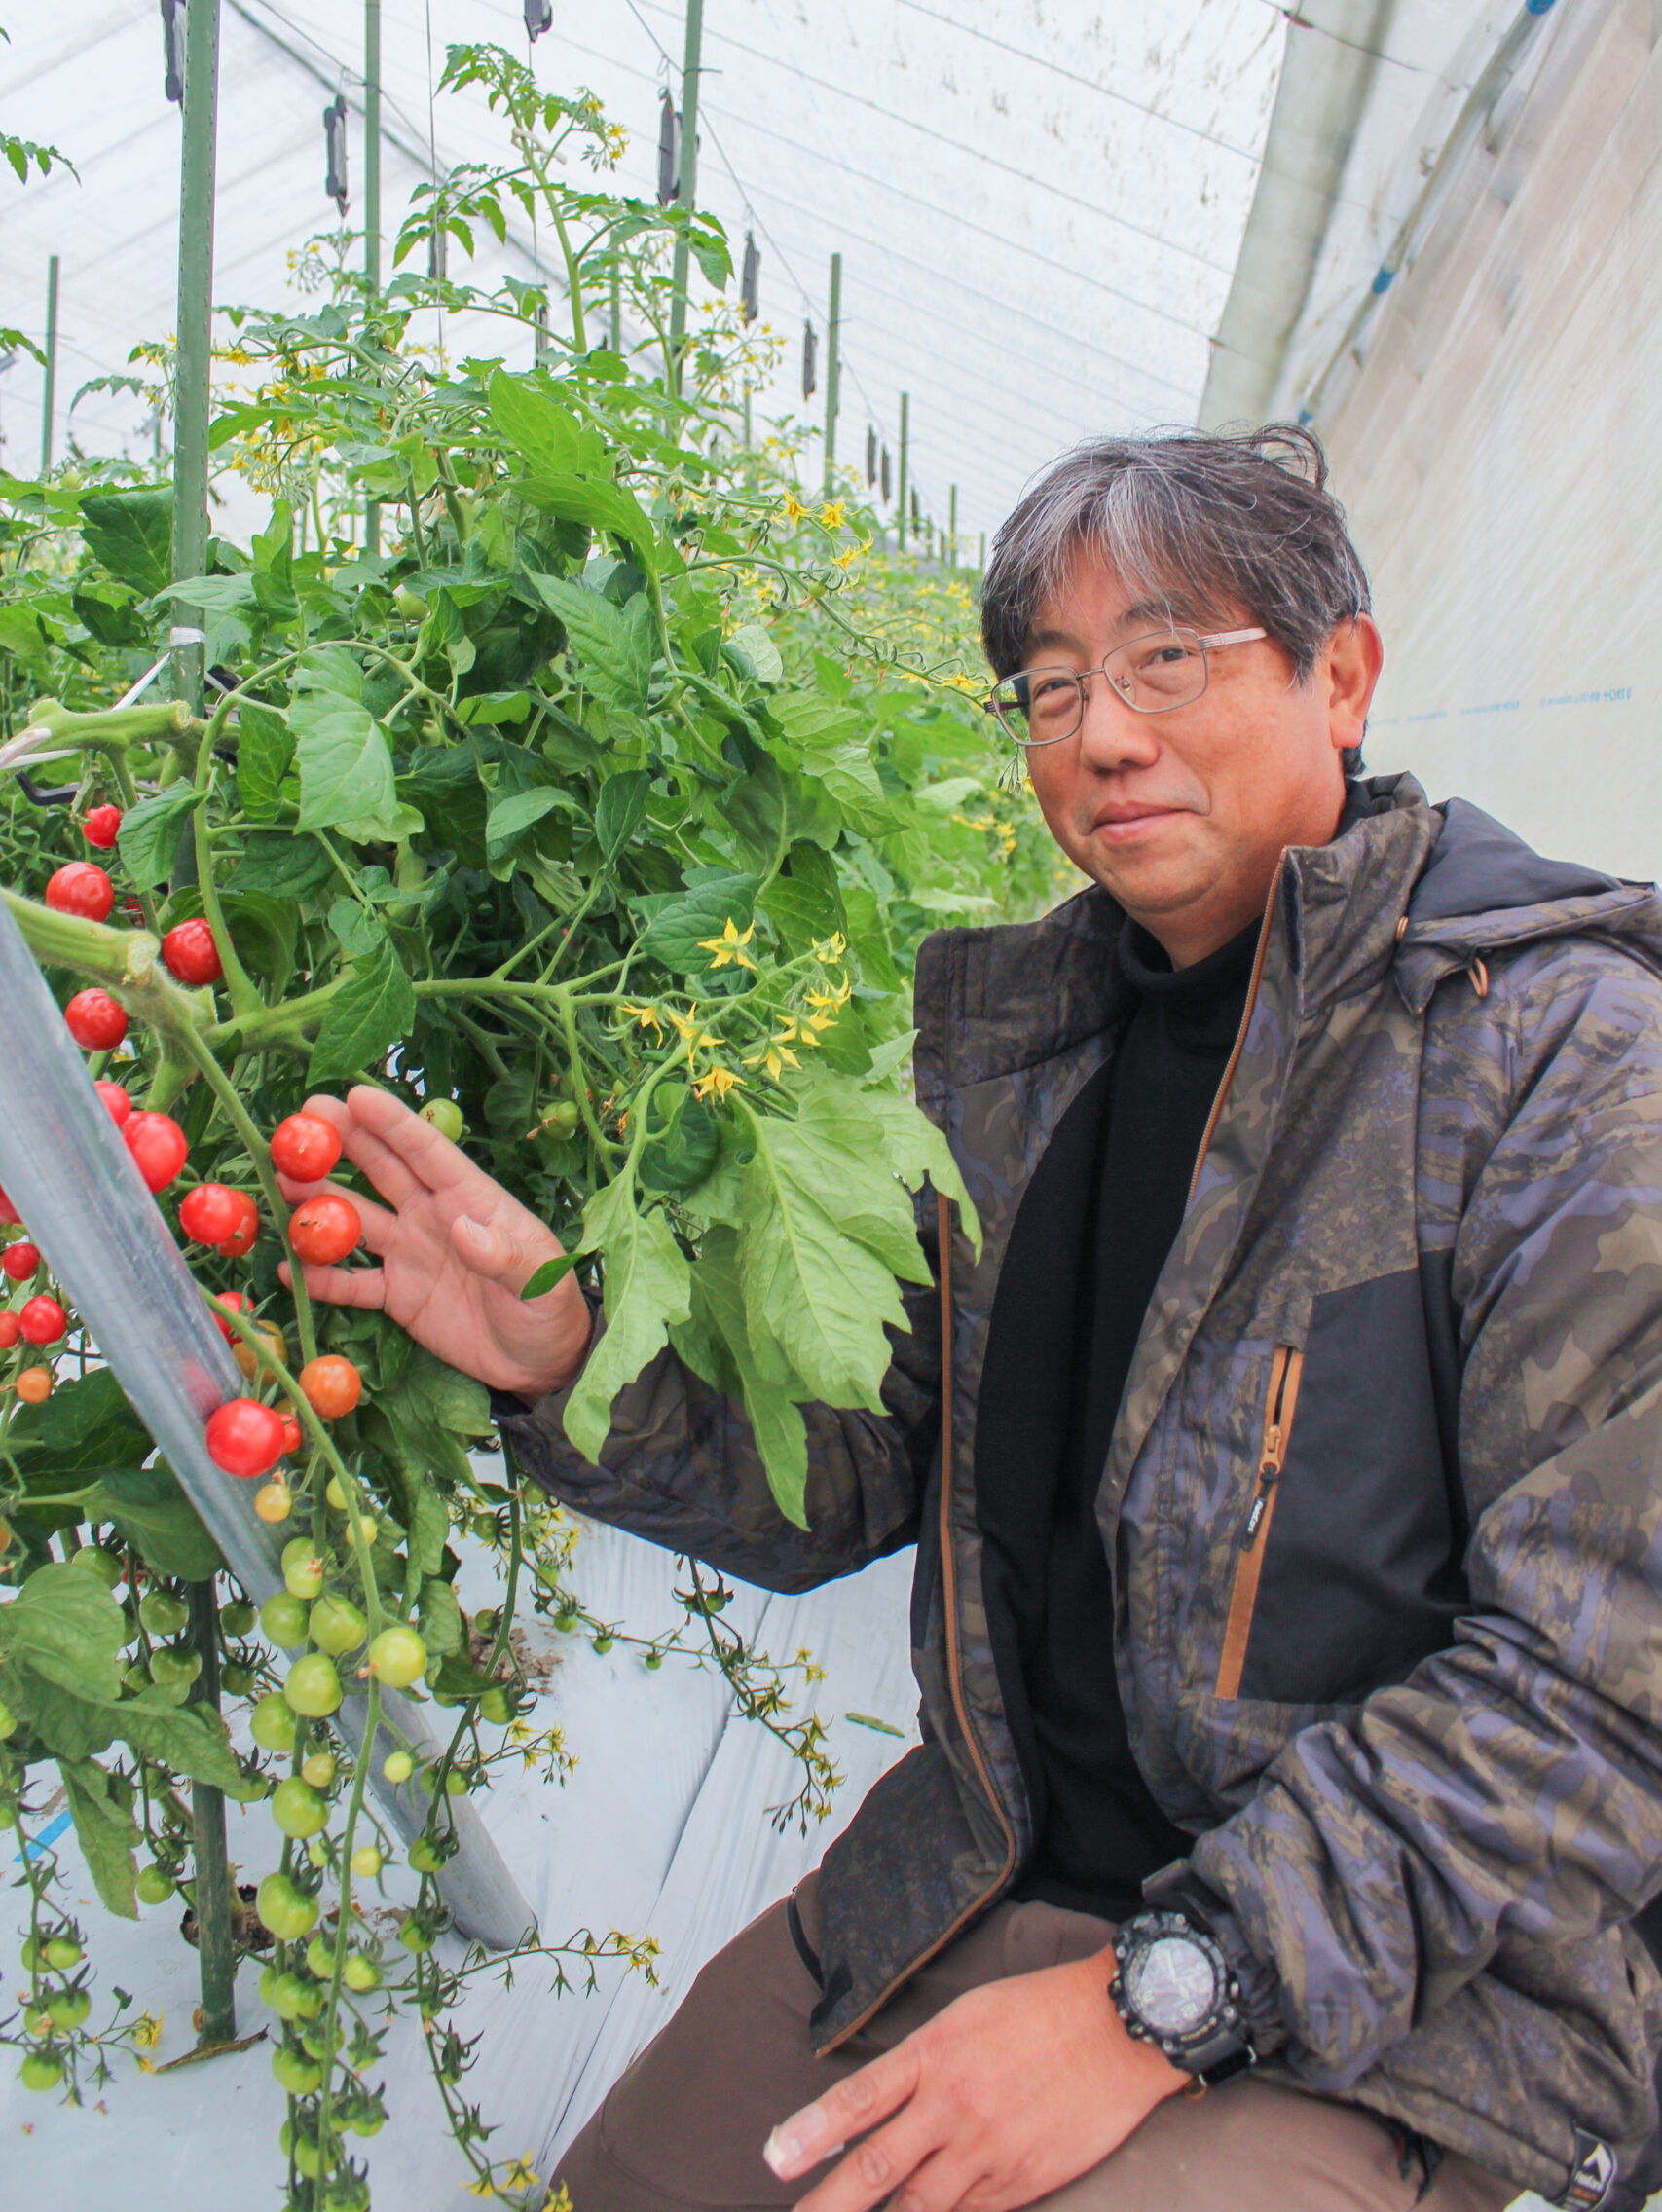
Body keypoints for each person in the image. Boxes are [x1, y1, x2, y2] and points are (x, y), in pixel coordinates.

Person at [282, 429, 1662, 2212]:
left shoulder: (1555, 1061)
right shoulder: (1031, 1062)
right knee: (633, 2184)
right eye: (1053, 685)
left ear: (1344, 675)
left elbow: (1604, 1691)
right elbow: (866, 1477)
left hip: (1400, 1996)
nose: (1100, 734)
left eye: (1172, 657)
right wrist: (571, 1361)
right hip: (989, 1856)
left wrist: (1163, 1997)